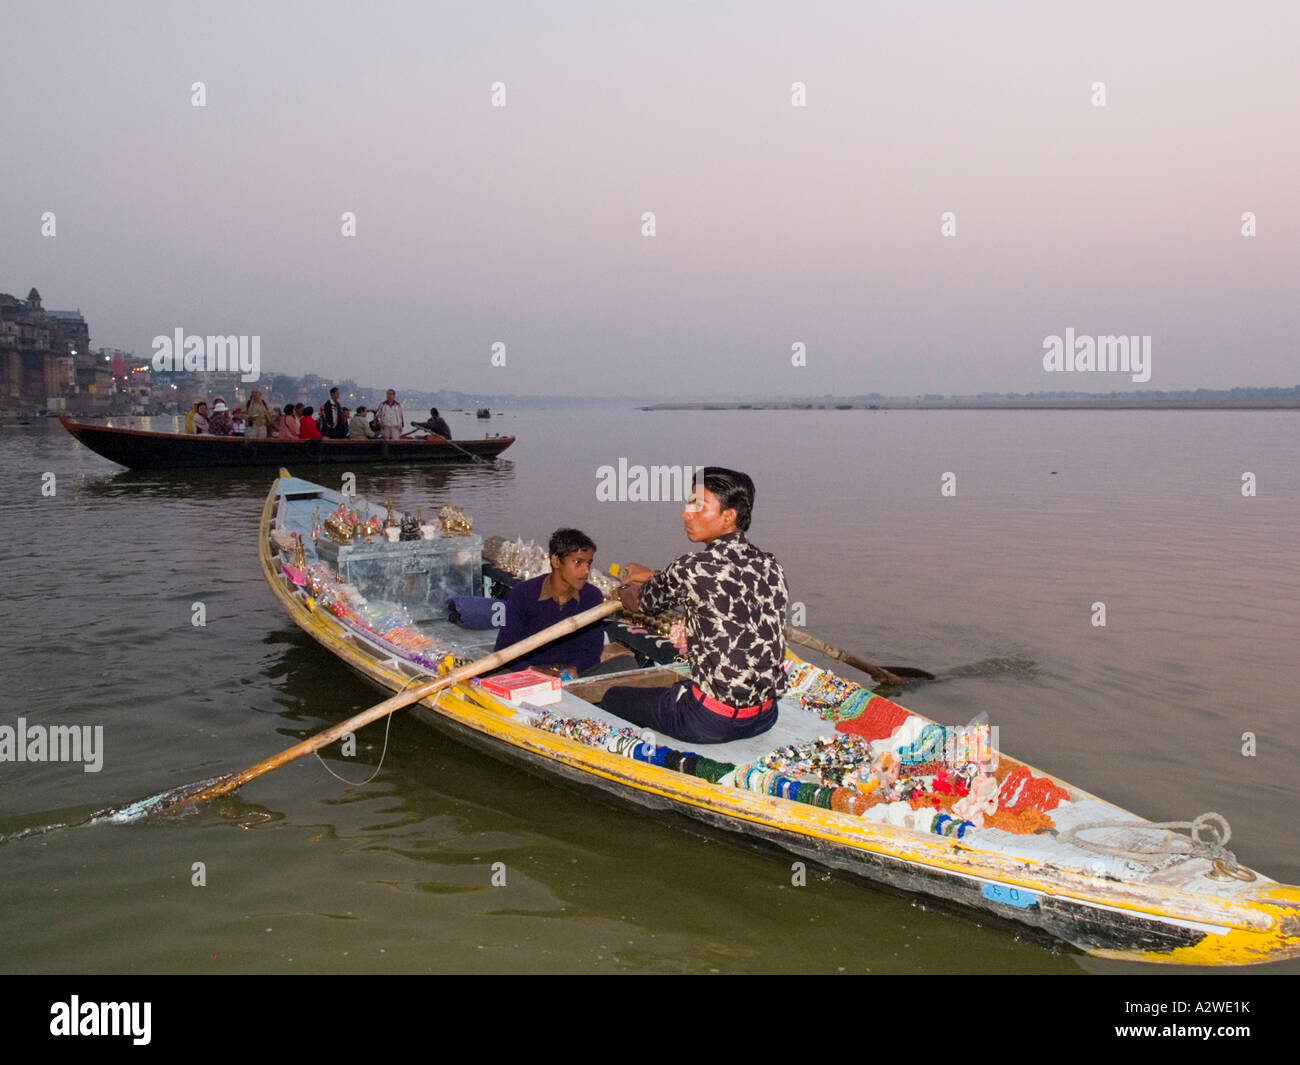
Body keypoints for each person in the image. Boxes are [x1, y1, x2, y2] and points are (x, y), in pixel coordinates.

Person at [602, 467, 787, 744]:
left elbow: (641, 602)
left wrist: (623, 592)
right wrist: (653, 574)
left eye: (698, 506)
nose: (686, 513)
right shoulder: (771, 565)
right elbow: (723, 580)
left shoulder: (693, 568)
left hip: (709, 722)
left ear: (728, 517)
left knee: (613, 697)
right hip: (765, 716)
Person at [493, 529, 607, 676]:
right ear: (556, 561)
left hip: (572, 672)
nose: (586, 571)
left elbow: (593, 649)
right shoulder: (523, 593)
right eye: (578, 563)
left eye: (588, 564)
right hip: (530, 671)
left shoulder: (592, 597)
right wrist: (535, 672)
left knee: (624, 663)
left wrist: (574, 669)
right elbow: (504, 647)